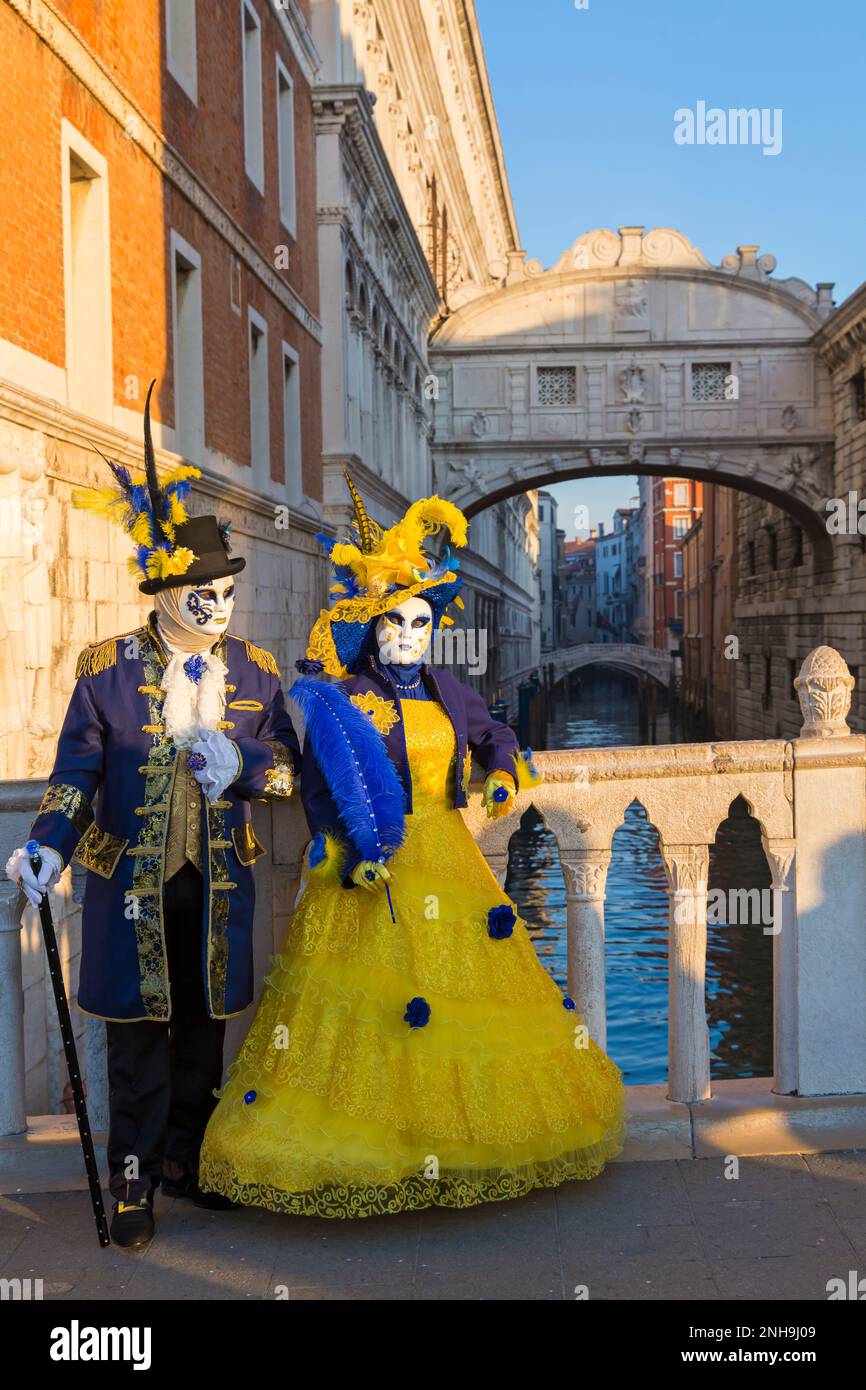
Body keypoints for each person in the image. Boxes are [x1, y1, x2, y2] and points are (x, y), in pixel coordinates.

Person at [199, 474, 626, 1218]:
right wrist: (345, 843)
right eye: (395, 623)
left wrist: (498, 773)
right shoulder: (342, 692)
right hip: (364, 868)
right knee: (367, 1019)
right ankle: (383, 1154)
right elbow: (323, 781)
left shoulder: (445, 687)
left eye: (420, 625)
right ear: (374, 625)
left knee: (464, 1008)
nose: (406, 637)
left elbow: (495, 731)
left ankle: (450, 1145)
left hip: (447, 857)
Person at [6, 384, 300, 1248]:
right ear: (167, 590)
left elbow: (286, 776)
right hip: (130, 884)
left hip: (216, 885)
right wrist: (46, 848)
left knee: (204, 1035)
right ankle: (132, 1183)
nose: (218, 605)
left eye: (225, 589)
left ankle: (190, 1161)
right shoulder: (104, 671)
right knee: (135, 1043)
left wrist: (242, 764)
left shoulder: (253, 672)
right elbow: (73, 778)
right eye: (202, 590)